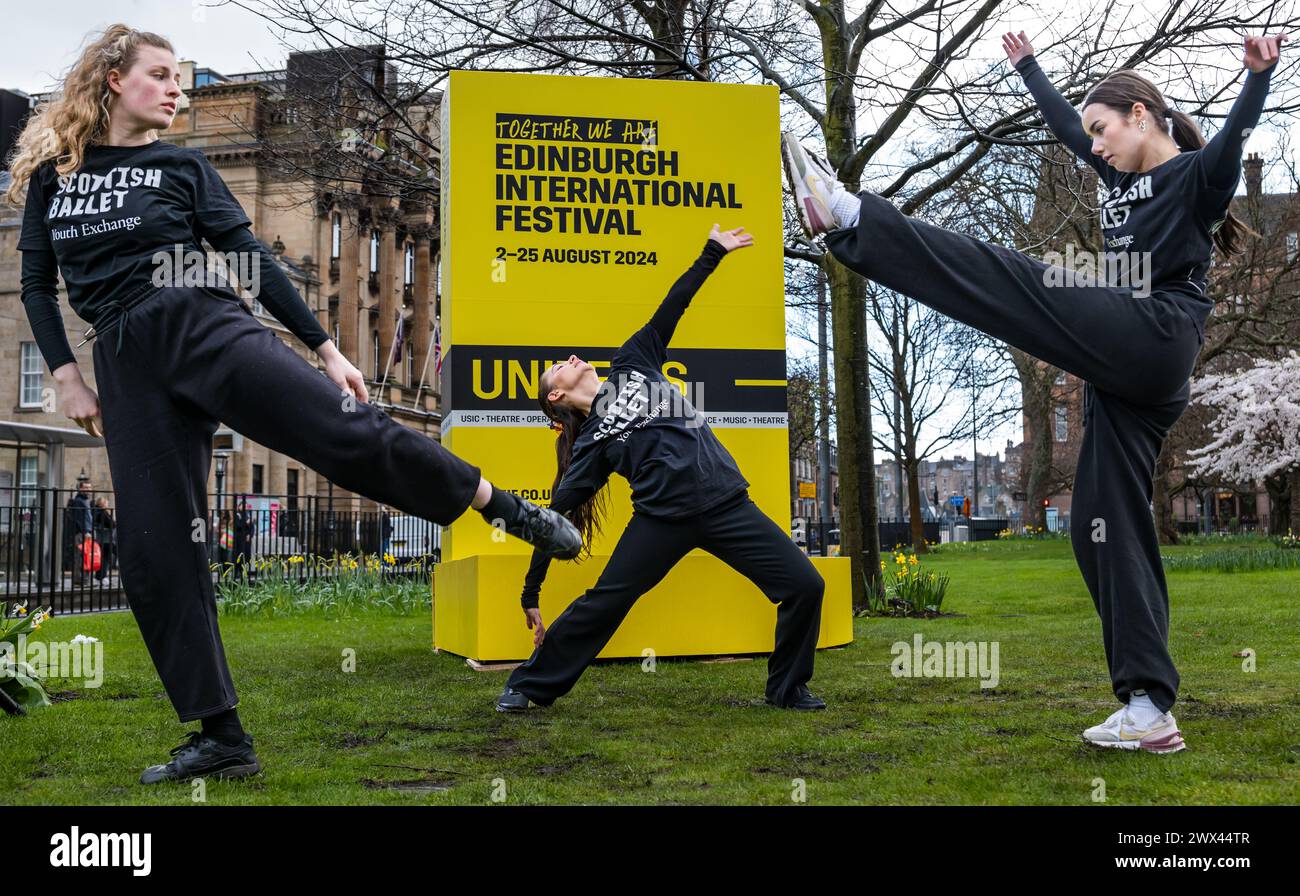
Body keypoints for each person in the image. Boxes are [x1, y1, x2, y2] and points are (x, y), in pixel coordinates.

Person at [8, 24, 582, 784]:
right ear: (114, 80)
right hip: (121, 357)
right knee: (155, 551)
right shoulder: (57, 175)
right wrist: (67, 376)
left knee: (344, 433)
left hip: (201, 323)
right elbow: (38, 284)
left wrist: (328, 347)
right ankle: (221, 737)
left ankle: (500, 504)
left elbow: (252, 261)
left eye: (181, 75)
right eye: (160, 74)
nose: (176, 88)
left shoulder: (180, 167)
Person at [780, 30, 1286, 754]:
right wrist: (1027, 68)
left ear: (1142, 114)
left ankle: (856, 217)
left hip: (1157, 331)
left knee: (1020, 280)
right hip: (1133, 377)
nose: (1096, 148)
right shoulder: (1115, 178)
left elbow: (1235, 138)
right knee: (1102, 528)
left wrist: (1258, 79)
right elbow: (1059, 122)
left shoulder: (1198, 175)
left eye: (1104, 129)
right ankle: (1148, 706)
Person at [495, 224, 828, 714]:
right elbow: (553, 520)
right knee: (605, 601)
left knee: (805, 585)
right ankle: (530, 685)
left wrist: (712, 251)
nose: (570, 358)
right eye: (558, 367)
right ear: (556, 395)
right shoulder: (590, 444)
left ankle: (787, 688)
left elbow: (675, 303)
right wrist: (531, 591)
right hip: (661, 521)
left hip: (726, 503)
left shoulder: (632, 361)